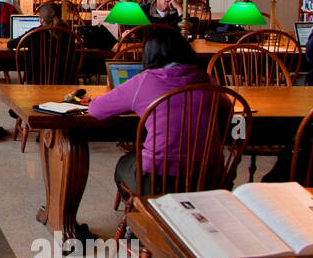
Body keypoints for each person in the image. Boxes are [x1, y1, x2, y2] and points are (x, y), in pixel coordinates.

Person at [87, 26, 219, 193]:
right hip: (209, 176)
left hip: (161, 178)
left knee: (124, 163)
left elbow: (96, 110)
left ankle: (140, 214)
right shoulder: (206, 80)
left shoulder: (145, 80)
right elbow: (227, 112)